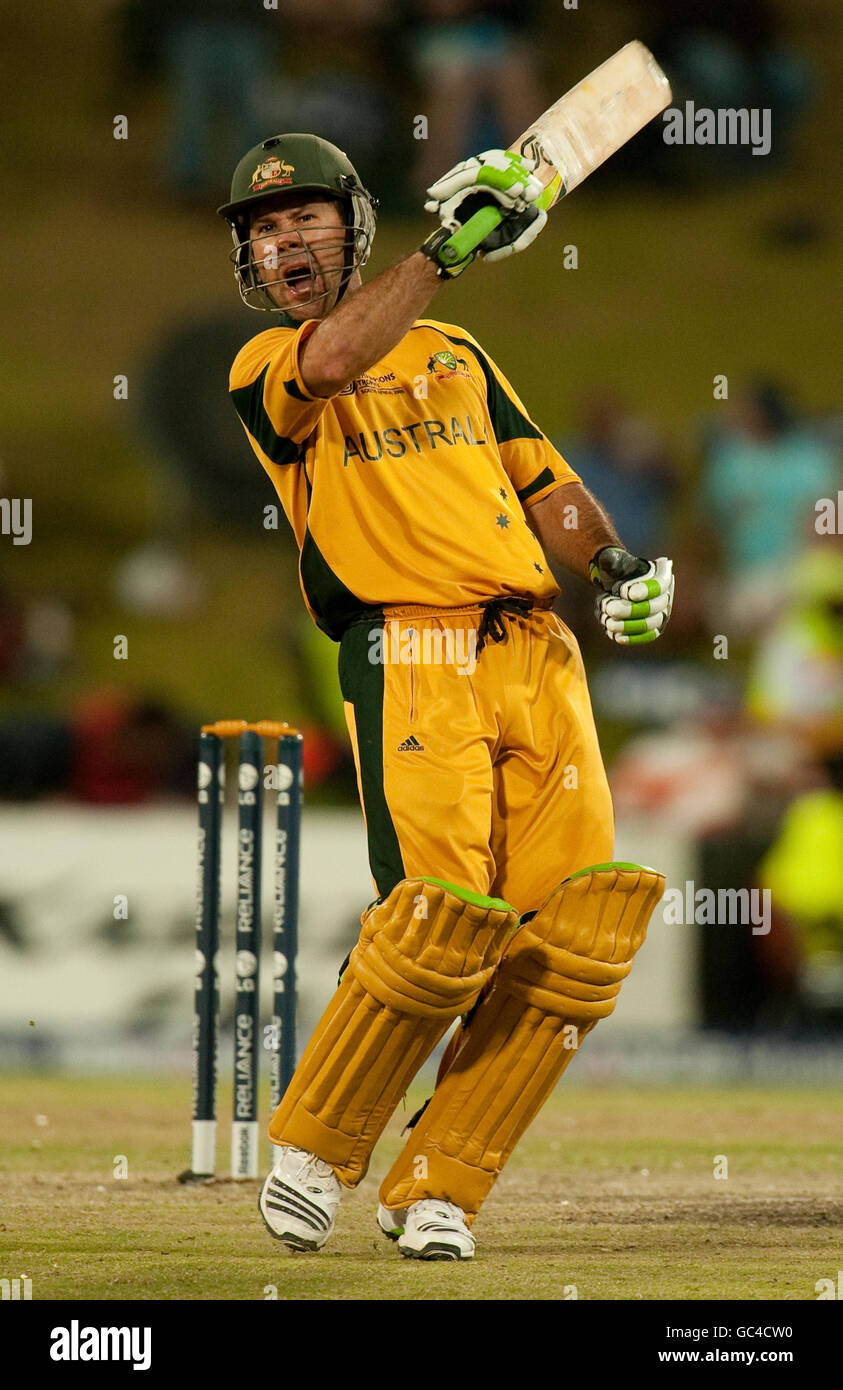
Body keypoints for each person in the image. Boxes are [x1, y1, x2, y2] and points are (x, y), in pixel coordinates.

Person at [218, 133, 675, 1260]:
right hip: (408, 644)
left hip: (535, 650)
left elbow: (546, 481)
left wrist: (613, 561)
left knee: (574, 938)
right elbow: (331, 367)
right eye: (268, 228)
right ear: (253, 261)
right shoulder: (265, 368)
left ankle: (442, 1185)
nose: (289, 240)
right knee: (438, 920)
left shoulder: (457, 350)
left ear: (352, 228)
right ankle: (316, 1151)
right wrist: (450, 249)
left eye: (310, 218)